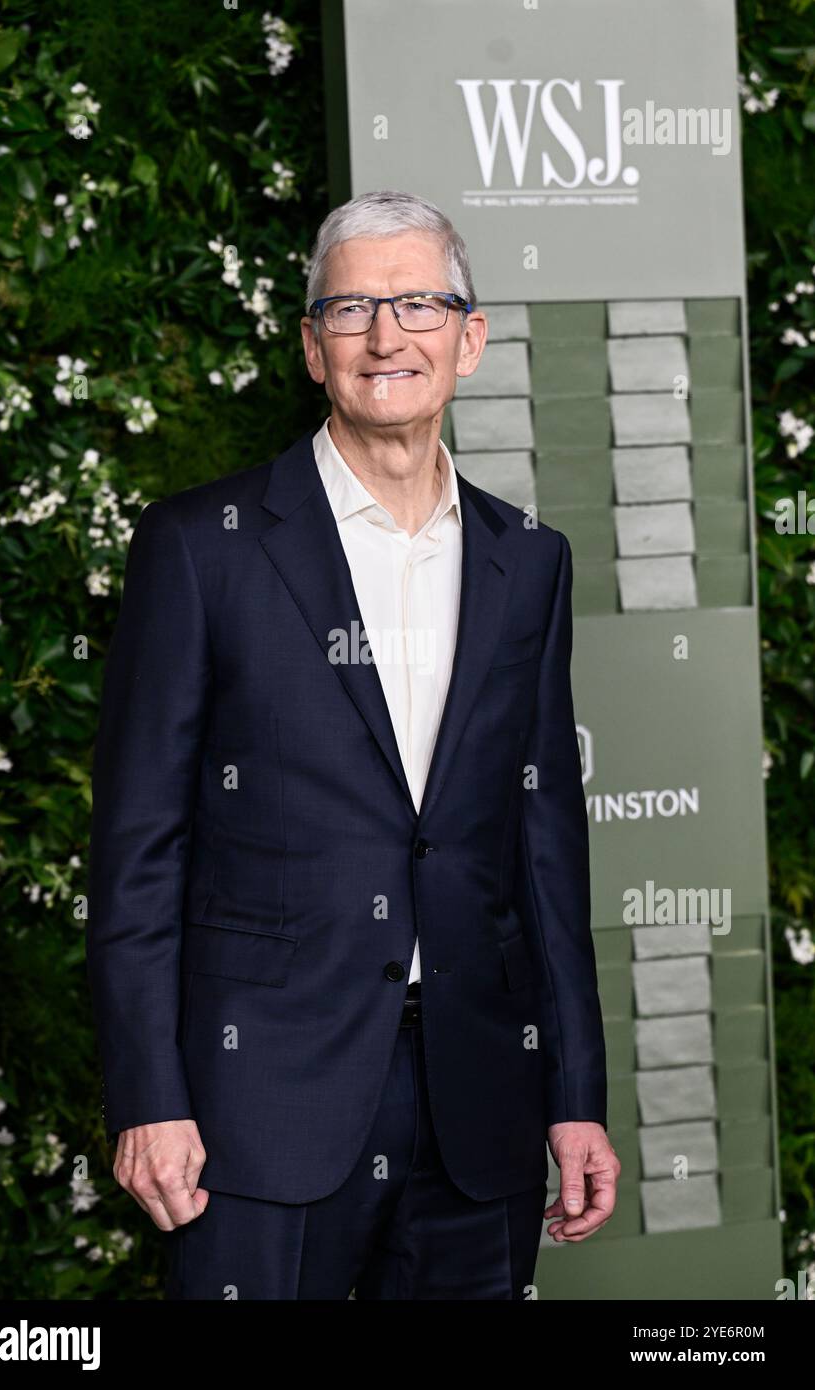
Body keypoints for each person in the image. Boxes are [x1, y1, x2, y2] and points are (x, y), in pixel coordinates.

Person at [86, 188, 619, 1300]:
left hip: (478, 1098)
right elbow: (139, 844)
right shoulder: (201, 547)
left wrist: (573, 1093)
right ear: (310, 344)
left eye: (419, 303)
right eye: (352, 309)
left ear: (467, 339)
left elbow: (543, 849)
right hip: (258, 1106)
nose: (388, 338)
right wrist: (148, 1092)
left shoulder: (529, 562)